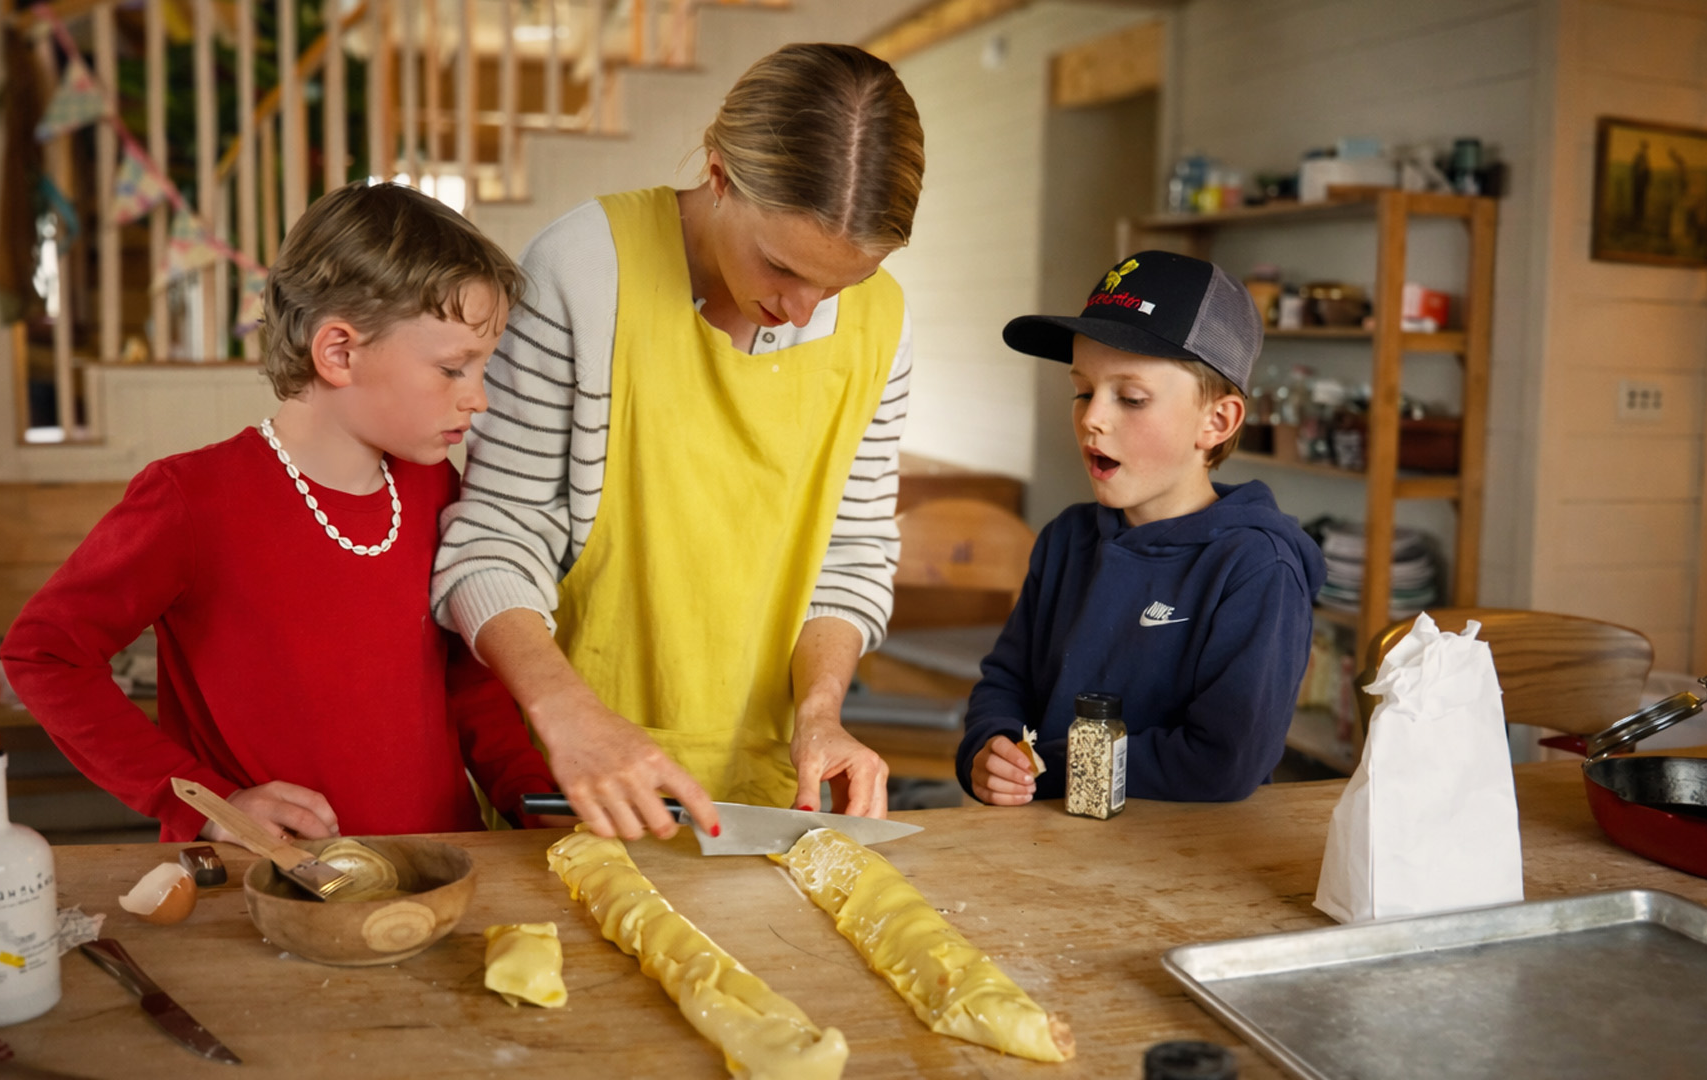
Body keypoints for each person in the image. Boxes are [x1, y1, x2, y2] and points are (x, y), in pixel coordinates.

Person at [431, 43, 925, 840]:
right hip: (575, 777)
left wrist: (821, 713)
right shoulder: (586, 270)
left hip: (763, 788)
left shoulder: (885, 325)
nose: (805, 312)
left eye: (840, 286)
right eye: (781, 267)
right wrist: (569, 716)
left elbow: (850, 554)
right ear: (720, 173)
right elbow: (494, 539)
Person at [2, 181, 554, 844]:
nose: (480, 398)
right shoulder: (191, 499)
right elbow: (43, 654)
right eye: (455, 369)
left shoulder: (434, 487)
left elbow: (467, 682)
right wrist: (209, 804)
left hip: (436, 875)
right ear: (339, 352)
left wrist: (536, 795)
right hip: (266, 889)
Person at [957, 250, 1325, 807]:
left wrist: (1046, 767)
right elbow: (1004, 681)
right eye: (1082, 391)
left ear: (1217, 421)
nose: (1092, 418)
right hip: (1040, 844)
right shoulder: (1065, 539)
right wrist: (991, 749)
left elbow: (1222, 763)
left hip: (1178, 863)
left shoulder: (1256, 568)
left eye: (1130, 398)